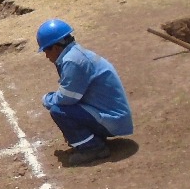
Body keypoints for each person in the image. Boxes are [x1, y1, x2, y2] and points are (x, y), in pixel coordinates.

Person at [36, 19, 133, 166]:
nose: (46, 56)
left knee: (58, 110)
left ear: (55, 47)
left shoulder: (73, 61)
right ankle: (93, 138)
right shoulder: (75, 54)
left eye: (46, 51)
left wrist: (47, 99)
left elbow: (67, 98)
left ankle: (93, 148)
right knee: (63, 108)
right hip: (113, 116)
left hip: (113, 121)